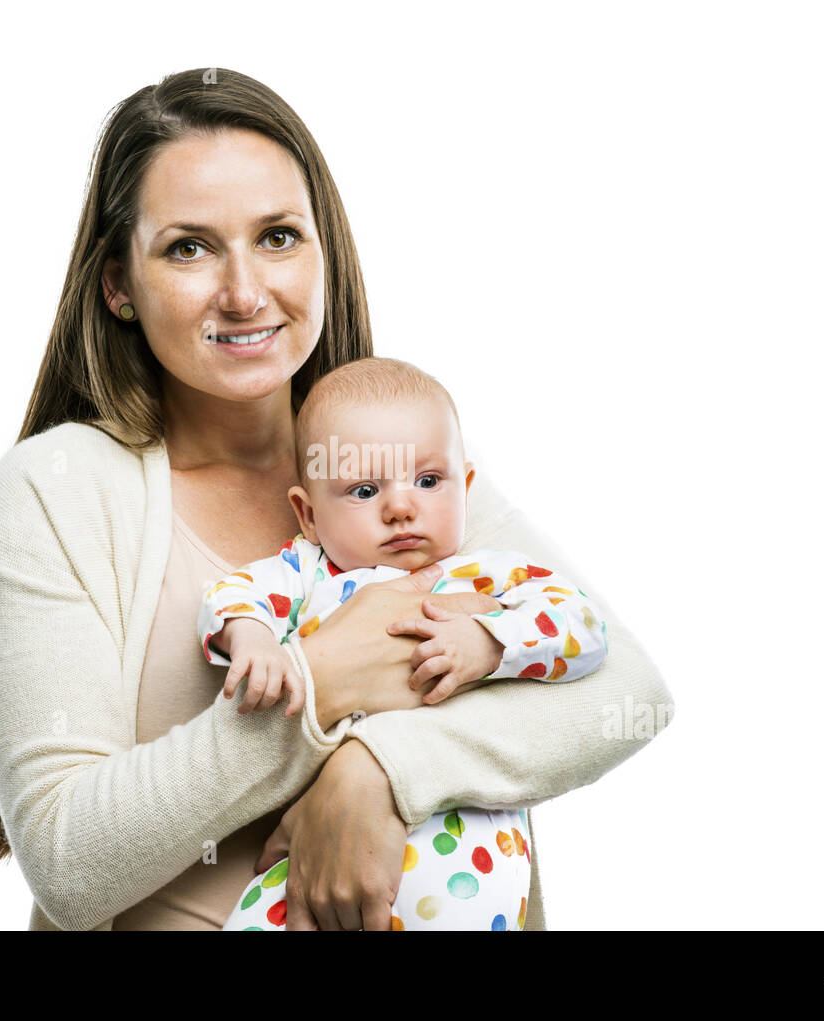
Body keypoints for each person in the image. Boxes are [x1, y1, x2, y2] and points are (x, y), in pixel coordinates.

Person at [0, 67, 675, 931]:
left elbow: (625, 686)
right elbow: (68, 860)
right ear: (118, 282)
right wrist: (322, 680)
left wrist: (376, 767)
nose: (244, 291)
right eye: (188, 246)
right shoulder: (59, 489)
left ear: (325, 251)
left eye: (278, 237)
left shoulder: (396, 460)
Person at [207, 357, 608, 930]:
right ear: (309, 513)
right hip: (319, 858)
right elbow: (233, 595)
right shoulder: (308, 572)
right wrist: (253, 639)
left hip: (466, 853)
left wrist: (492, 643)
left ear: (465, 489)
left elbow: (586, 628)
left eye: (427, 481)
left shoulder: (486, 576)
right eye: (365, 489)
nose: (400, 507)